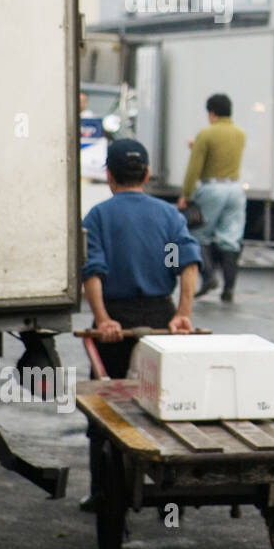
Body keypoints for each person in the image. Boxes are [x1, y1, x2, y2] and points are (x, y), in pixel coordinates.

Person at [81, 139, 203, 380]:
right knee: (159, 396)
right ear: (147, 174)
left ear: (109, 175)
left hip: (115, 319)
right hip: (161, 318)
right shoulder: (169, 216)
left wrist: (103, 320)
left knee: (108, 403)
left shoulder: (98, 217)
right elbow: (182, 263)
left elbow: (93, 271)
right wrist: (183, 314)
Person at [178, 93, 247, 302]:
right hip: (235, 189)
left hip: (212, 188)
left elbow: (194, 168)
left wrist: (186, 195)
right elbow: (222, 154)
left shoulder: (206, 134)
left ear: (212, 113)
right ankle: (229, 289)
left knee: (199, 234)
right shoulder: (239, 134)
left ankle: (208, 277)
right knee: (230, 239)